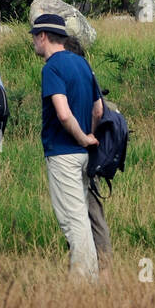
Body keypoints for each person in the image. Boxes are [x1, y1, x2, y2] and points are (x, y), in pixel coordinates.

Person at [31, 14, 103, 280]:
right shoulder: (82, 63)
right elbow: (98, 109)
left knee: (73, 221)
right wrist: (90, 137)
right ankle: (89, 278)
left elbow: (62, 113)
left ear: (43, 37)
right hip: (85, 154)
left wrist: (82, 137)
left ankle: (84, 284)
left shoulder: (51, 68)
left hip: (63, 153)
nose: (34, 43)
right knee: (81, 216)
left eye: (34, 38)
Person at [65, 35, 111, 279]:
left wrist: (86, 138)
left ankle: (98, 272)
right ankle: (92, 267)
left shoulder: (74, 79)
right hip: (89, 155)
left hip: (81, 155)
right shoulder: (86, 76)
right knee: (86, 214)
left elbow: (97, 111)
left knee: (89, 214)